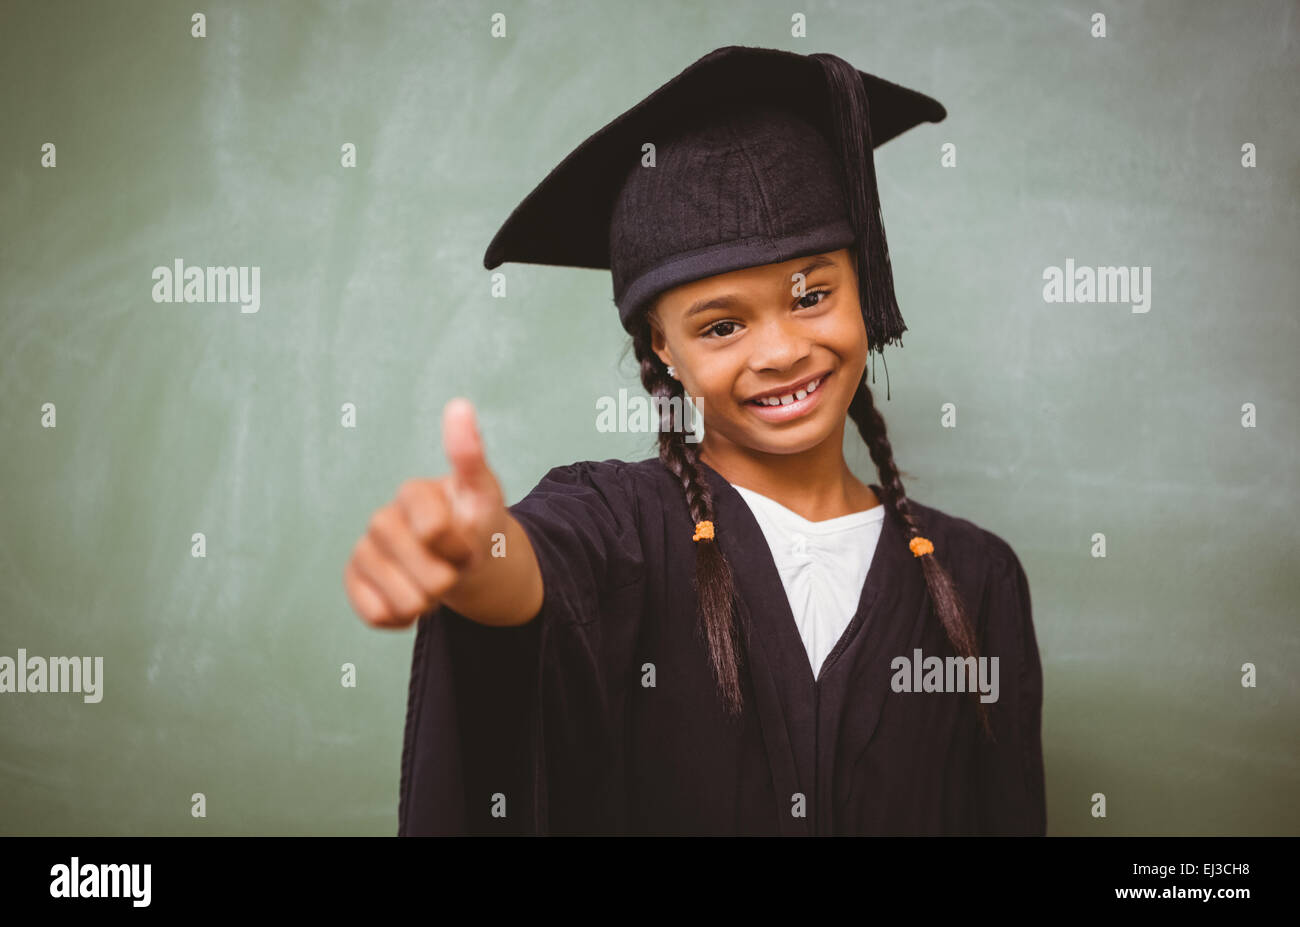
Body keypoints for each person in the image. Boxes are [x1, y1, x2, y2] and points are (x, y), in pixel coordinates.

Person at [343, 45, 1046, 835]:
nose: (780, 350)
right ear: (663, 348)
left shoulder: (976, 581)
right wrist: (473, 556)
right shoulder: (620, 526)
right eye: (722, 325)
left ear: (865, 285)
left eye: (812, 294)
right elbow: (535, 575)